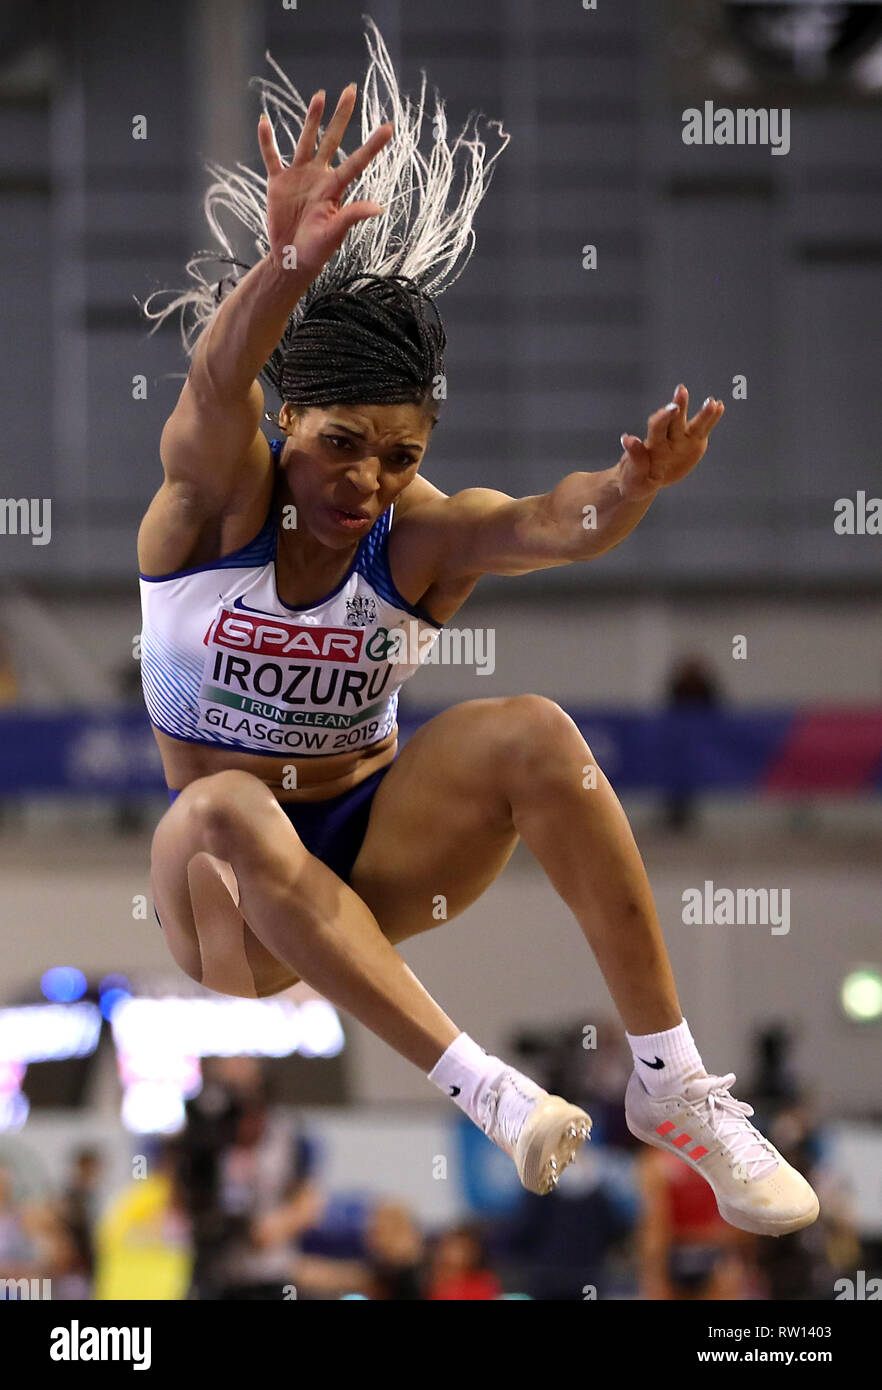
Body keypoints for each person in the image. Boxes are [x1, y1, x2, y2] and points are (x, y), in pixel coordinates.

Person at [137, 18, 818, 1237]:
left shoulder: (421, 537)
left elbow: (555, 522)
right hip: (230, 907)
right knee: (232, 808)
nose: (368, 484)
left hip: (379, 853)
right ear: (291, 423)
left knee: (536, 734)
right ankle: (488, 1091)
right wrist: (288, 266)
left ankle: (672, 1079)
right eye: (342, 445)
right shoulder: (209, 513)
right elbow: (210, 383)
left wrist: (631, 491)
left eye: (400, 457)